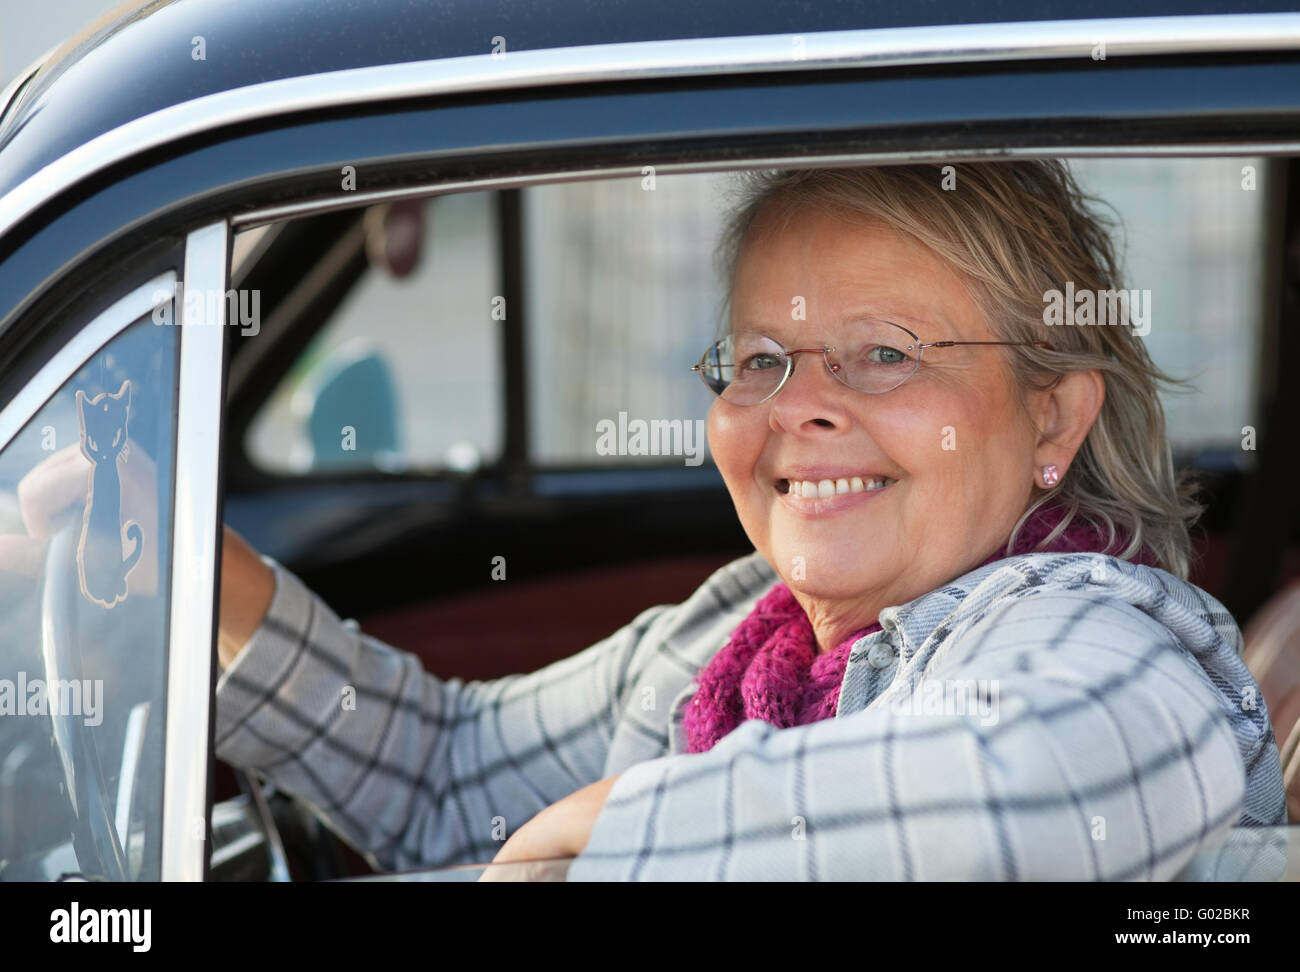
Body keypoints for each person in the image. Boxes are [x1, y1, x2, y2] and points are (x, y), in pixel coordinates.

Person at [213, 161, 1286, 880]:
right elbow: (446, 775)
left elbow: (1035, 793)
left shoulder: (1091, 623)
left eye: (886, 354)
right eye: (762, 359)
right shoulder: (735, 635)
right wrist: (189, 589)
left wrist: (626, 827)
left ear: (1050, 417)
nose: (799, 405)